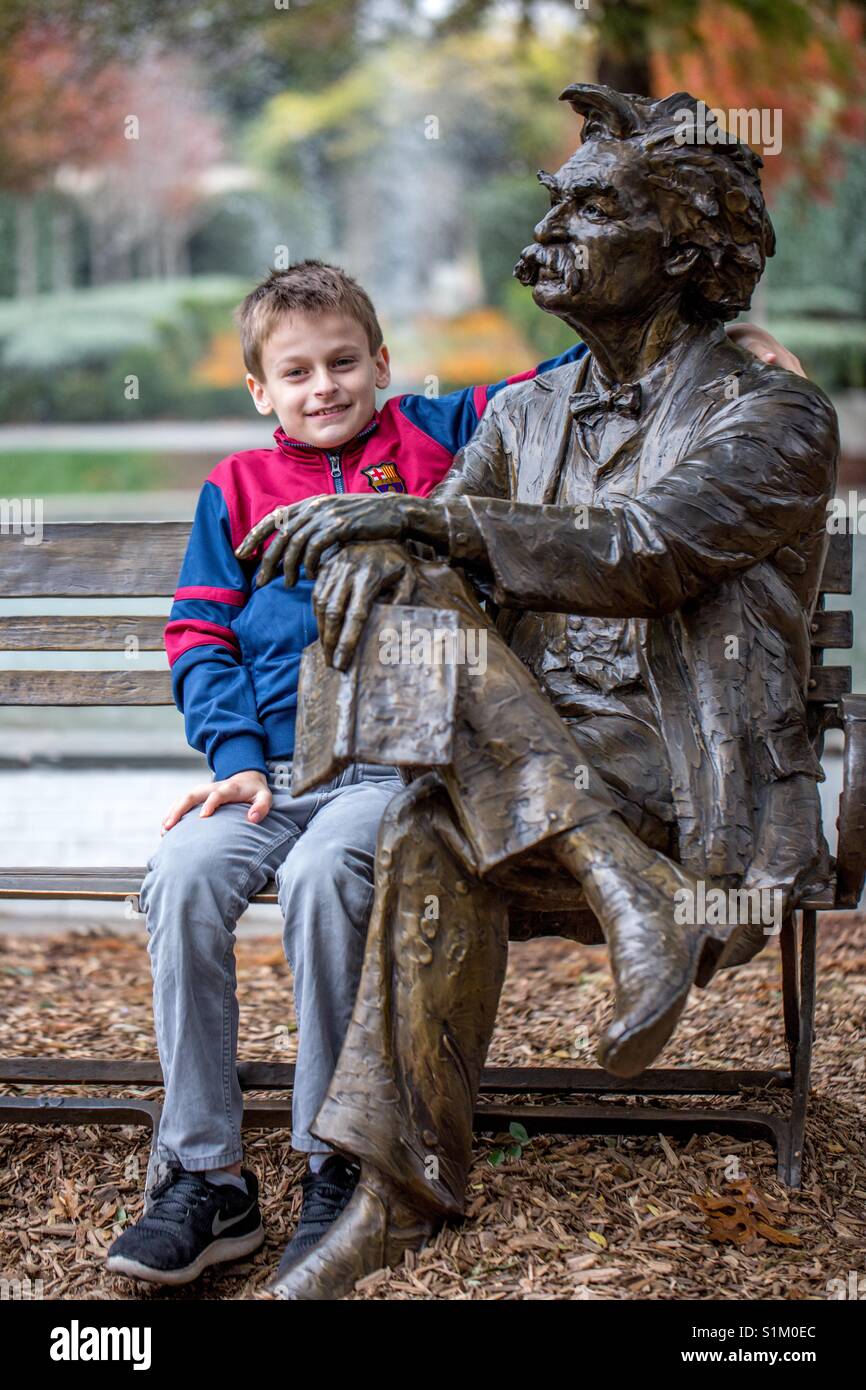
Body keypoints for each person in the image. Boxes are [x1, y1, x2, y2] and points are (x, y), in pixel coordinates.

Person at [236, 86, 836, 1302]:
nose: (547, 228)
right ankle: (397, 1194)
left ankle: (633, 878)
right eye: (551, 200)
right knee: (412, 728)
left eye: (590, 207)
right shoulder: (524, 411)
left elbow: (640, 547)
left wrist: (405, 522)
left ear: (680, 249)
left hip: (694, 791)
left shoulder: (768, 413)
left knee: (425, 806)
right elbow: (428, 545)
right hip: (560, 769)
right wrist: (370, 544)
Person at [105, 256, 800, 1288]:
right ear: (260, 392)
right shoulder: (237, 490)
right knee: (184, 876)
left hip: (393, 763)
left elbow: (565, 379)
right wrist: (237, 759)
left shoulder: (435, 434)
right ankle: (204, 1175)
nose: (324, 387)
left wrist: (715, 338)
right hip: (268, 776)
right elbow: (198, 636)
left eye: (344, 362)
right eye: (295, 374)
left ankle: (330, 1158)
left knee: (325, 878)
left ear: (380, 362)